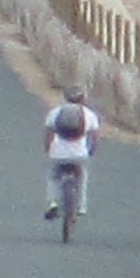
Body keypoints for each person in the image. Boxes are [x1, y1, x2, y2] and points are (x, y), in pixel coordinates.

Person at [43, 85, 100, 220]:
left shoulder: (55, 112)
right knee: (82, 177)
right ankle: (81, 206)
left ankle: (53, 203)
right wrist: (91, 151)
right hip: (79, 155)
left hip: (59, 154)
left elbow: (48, 135)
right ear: (82, 99)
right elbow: (95, 137)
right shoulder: (89, 115)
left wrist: (48, 149)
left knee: (53, 177)